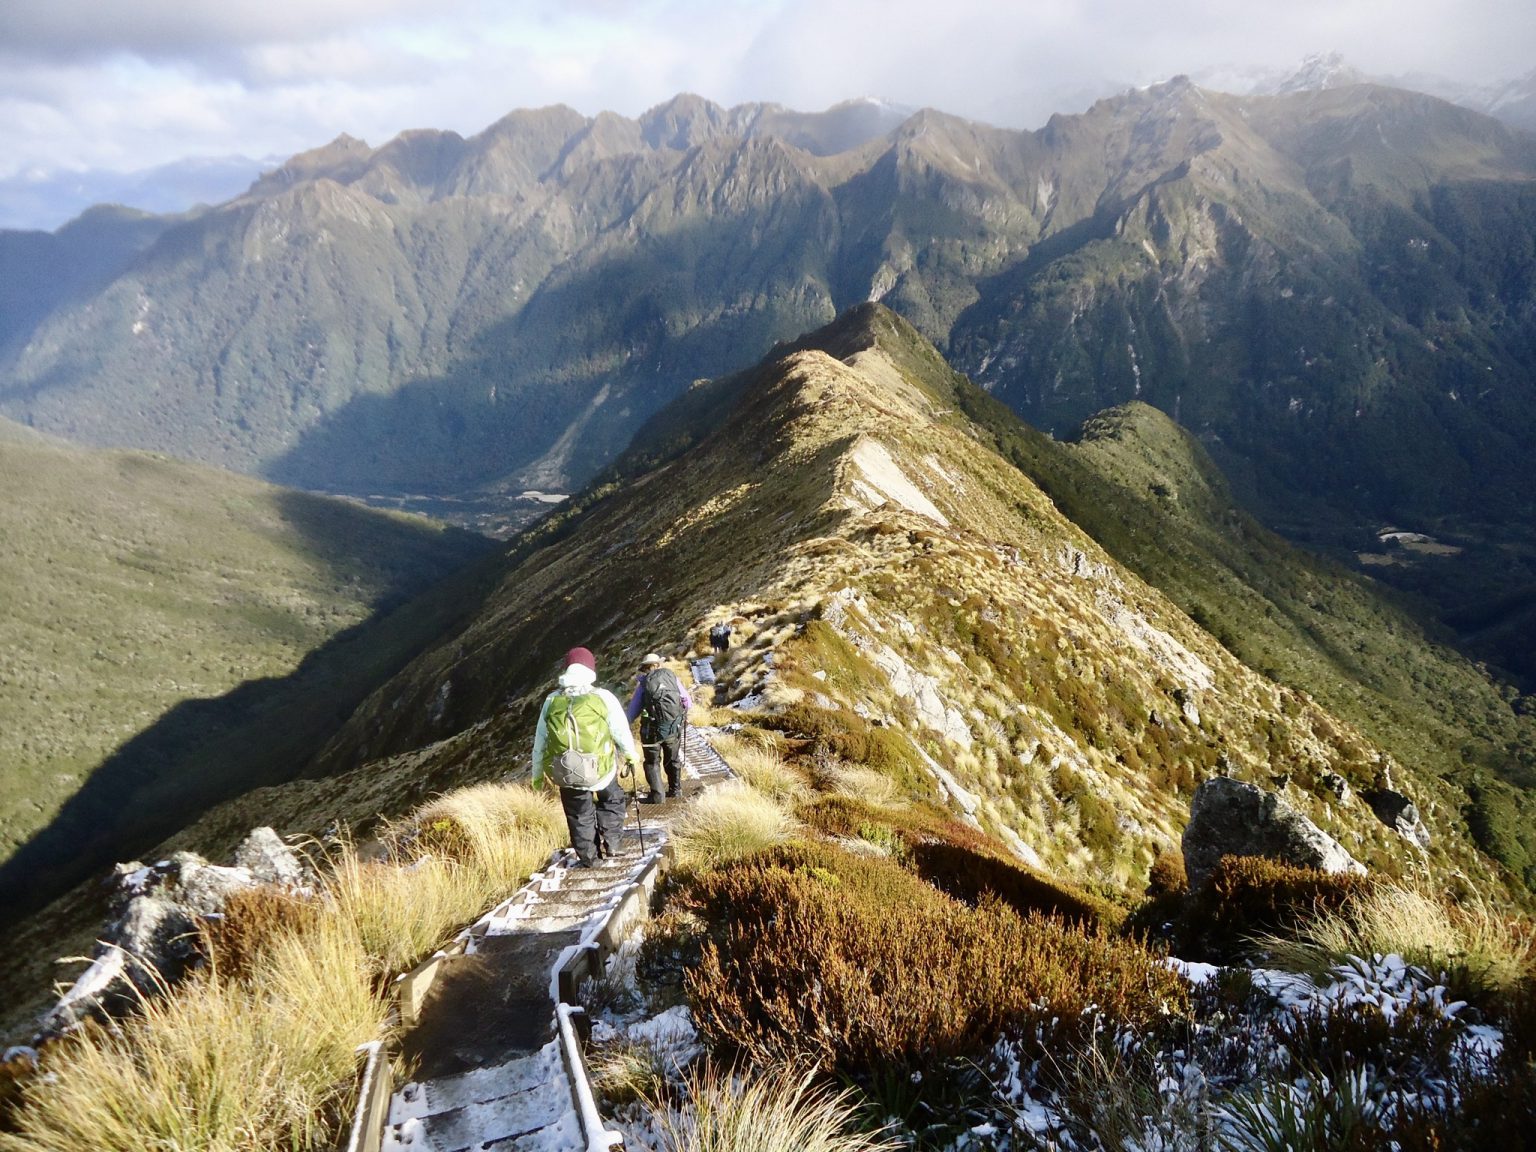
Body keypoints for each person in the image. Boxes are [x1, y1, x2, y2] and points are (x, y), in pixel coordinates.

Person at [532, 647, 641, 867]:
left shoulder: (551, 701)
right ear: (590, 669)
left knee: (578, 814)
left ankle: (590, 859)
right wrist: (630, 755)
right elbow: (620, 730)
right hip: (601, 768)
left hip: (566, 770)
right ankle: (612, 843)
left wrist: (537, 775)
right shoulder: (602, 697)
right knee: (612, 799)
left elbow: (540, 741)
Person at [626, 653, 692, 803]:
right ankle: (675, 790)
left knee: (652, 762)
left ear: (645, 668)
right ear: (659, 664)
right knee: (672, 758)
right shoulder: (672, 678)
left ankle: (658, 796)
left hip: (651, 732)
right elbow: (688, 702)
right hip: (672, 727)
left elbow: (631, 713)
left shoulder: (643, 684)